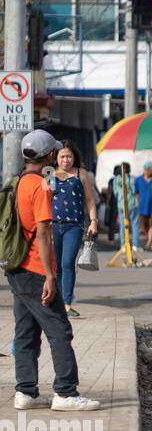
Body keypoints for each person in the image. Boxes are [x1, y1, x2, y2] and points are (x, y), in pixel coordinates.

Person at [9, 130, 99, 412]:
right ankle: (65, 392)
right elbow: (44, 232)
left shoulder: (17, 182)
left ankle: (25, 391)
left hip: (16, 268)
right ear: (49, 156)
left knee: (25, 330)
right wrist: (50, 276)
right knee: (60, 330)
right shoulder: (41, 186)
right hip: (36, 269)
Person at [50, 142, 98, 318]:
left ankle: (67, 305)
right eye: (62, 156)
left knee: (68, 263)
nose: (65, 160)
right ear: (56, 157)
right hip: (52, 226)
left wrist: (93, 221)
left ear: (74, 157)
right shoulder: (49, 174)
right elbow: (41, 200)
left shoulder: (81, 174)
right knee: (56, 267)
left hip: (74, 226)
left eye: (68, 156)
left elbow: (90, 200)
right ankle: (56, 302)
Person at [133, 162, 152, 251]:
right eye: (151, 169)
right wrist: (138, 204)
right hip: (143, 207)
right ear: (146, 170)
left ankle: (148, 243)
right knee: (146, 226)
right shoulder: (138, 180)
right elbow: (137, 194)